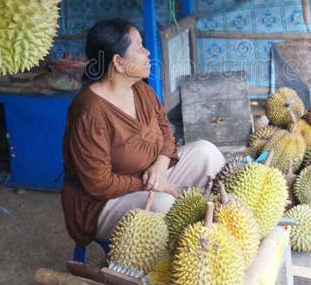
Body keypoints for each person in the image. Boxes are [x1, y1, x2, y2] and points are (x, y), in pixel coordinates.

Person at [61, 18, 226, 246]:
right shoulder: (89, 111)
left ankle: (219, 230)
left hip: (151, 175)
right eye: (139, 48)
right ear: (118, 62)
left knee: (207, 153)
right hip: (104, 202)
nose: (148, 52)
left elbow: (166, 132)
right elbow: (99, 183)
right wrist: (159, 186)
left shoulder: (141, 89)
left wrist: (160, 166)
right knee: (163, 205)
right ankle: (188, 257)